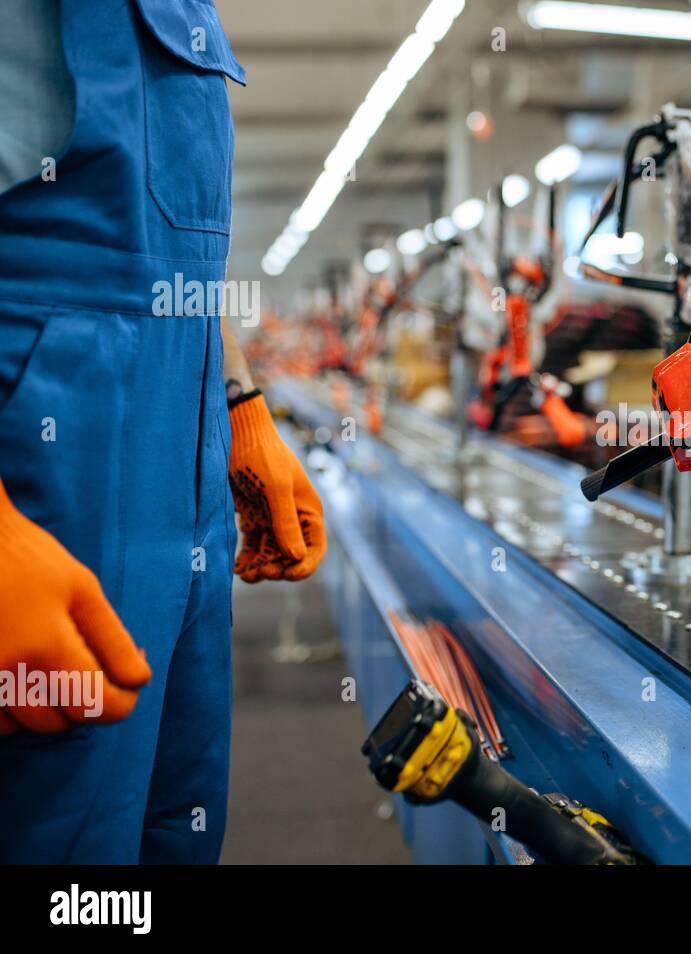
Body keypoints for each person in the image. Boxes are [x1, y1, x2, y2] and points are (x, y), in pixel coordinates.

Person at [0, 0, 326, 863]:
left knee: (167, 825)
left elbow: (180, 256)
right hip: (48, 454)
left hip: (178, 455)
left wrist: (240, 401)